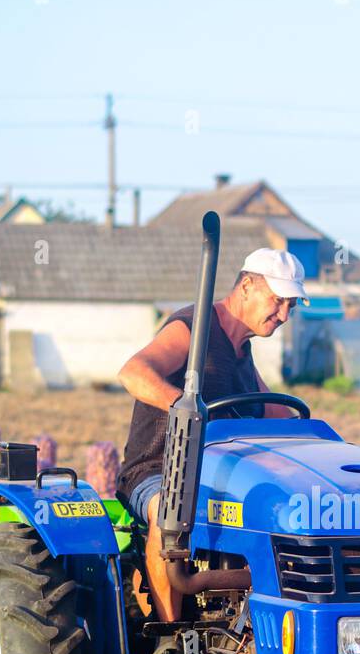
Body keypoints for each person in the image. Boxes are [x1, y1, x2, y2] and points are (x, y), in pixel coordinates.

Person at [116, 247, 309, 630]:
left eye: (291, 305)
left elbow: (281, 416)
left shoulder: (241, 354)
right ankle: (173, 639)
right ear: (247, 286)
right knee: (168, 511)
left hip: (223, 477)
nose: (285, 315)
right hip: (160, 470)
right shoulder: (193, 329)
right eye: (278, 301)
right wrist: (185, 407)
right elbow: (133, 372)